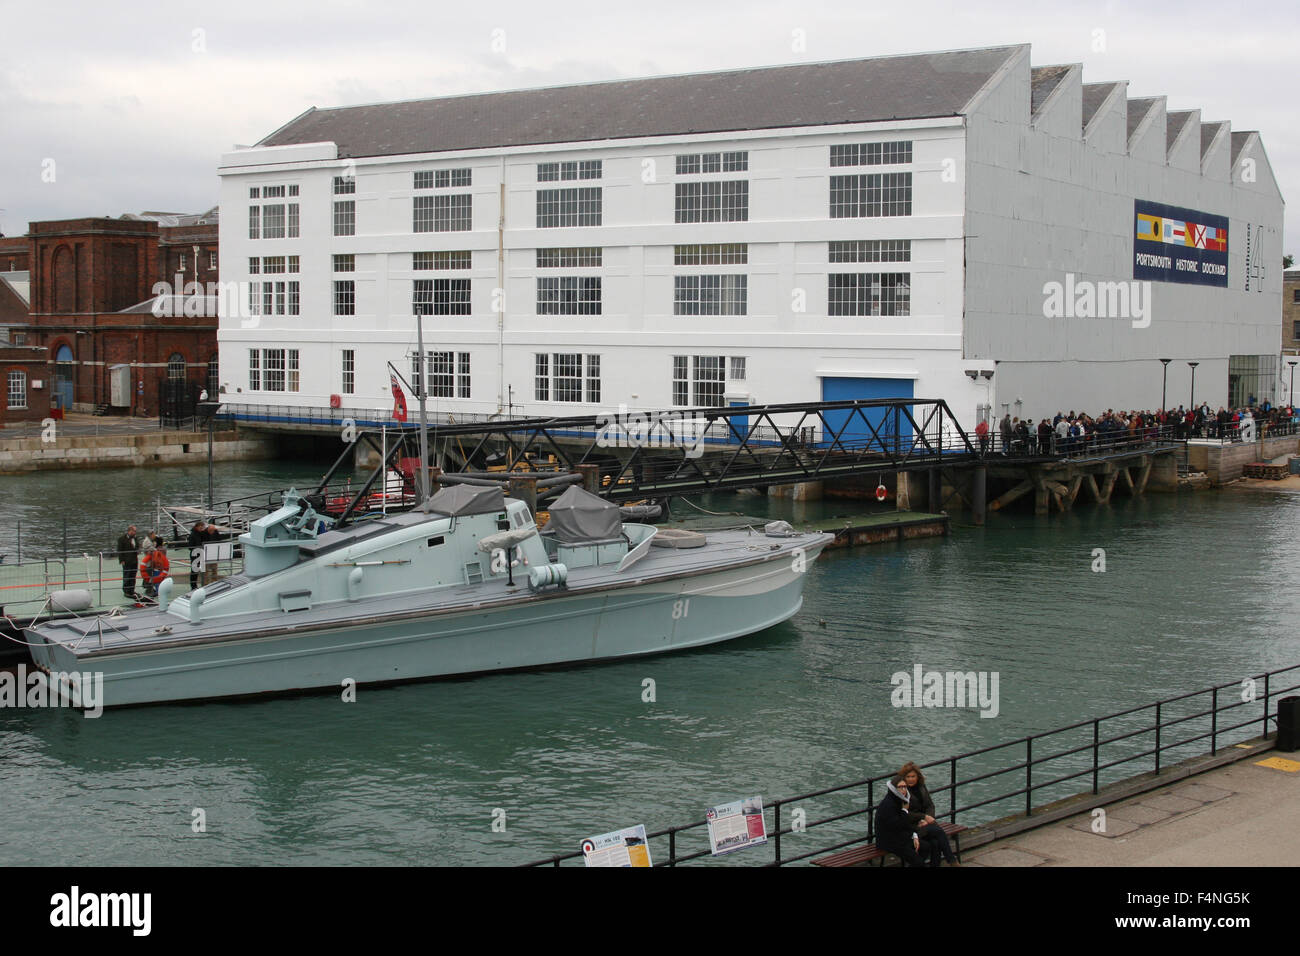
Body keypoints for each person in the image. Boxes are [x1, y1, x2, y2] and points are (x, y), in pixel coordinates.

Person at [898, 762, 959, 865]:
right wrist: (922, 817)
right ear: (904, 778)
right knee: (938, 832)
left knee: (935, 842)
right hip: (912, 827)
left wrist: (927, 819)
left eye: (913, 776)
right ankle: (952, 860)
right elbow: (905, 813)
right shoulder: (902, 791)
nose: (911, 779)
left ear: (918, 776)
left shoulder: (921, 786)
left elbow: (930, 805)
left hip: (925, 823)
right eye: (908, 777)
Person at [875, 775, 942, 867]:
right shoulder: (889, 804)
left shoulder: (901, 801)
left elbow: (905, 824)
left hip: (901, 837)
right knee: (918, 862)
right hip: (889, 841)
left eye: (904, 787)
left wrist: (914, 836)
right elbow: (897, 825)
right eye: (900, 787)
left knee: (926, 847)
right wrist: (905, 811)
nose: (903, 790)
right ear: (894, 788)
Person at [116, 524, 140, 599]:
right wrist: (121, 560)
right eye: (134, 531)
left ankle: (132, 590)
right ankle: (126, 591)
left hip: (134, 560)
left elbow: (137, 547)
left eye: (135, 531)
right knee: (127, 575)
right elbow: (120, 550)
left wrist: (137, 550)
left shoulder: (135, 538)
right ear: (130, 531)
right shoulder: (121, 539)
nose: (135, 532)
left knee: (133, 576)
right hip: (126, 561)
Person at [187, 520, 209, 590]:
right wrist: (197, 549)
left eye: (203, 527)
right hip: (195, 554)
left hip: (201, 553)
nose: (202, 528)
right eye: (201, 527)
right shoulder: (193, 534)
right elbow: (190, 546)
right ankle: (193, 586)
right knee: (194, 571)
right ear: (197, 527)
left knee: (202, 569)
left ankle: (201, 584)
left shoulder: (201, 533)